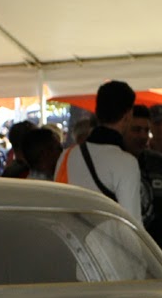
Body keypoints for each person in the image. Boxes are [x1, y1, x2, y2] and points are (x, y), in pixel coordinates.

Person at [57, 81, 145, 223]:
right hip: (107, 245)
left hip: (70, 244)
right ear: (128, 115)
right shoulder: (126, 163)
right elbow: (132, 225)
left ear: (97, 112)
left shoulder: (67, 156)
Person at [126, 105, 162, 273]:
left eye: (146, 130)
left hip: (161, 252)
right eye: (136, 130)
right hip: (125, 251)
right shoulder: (113, 165)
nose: (142, 136)